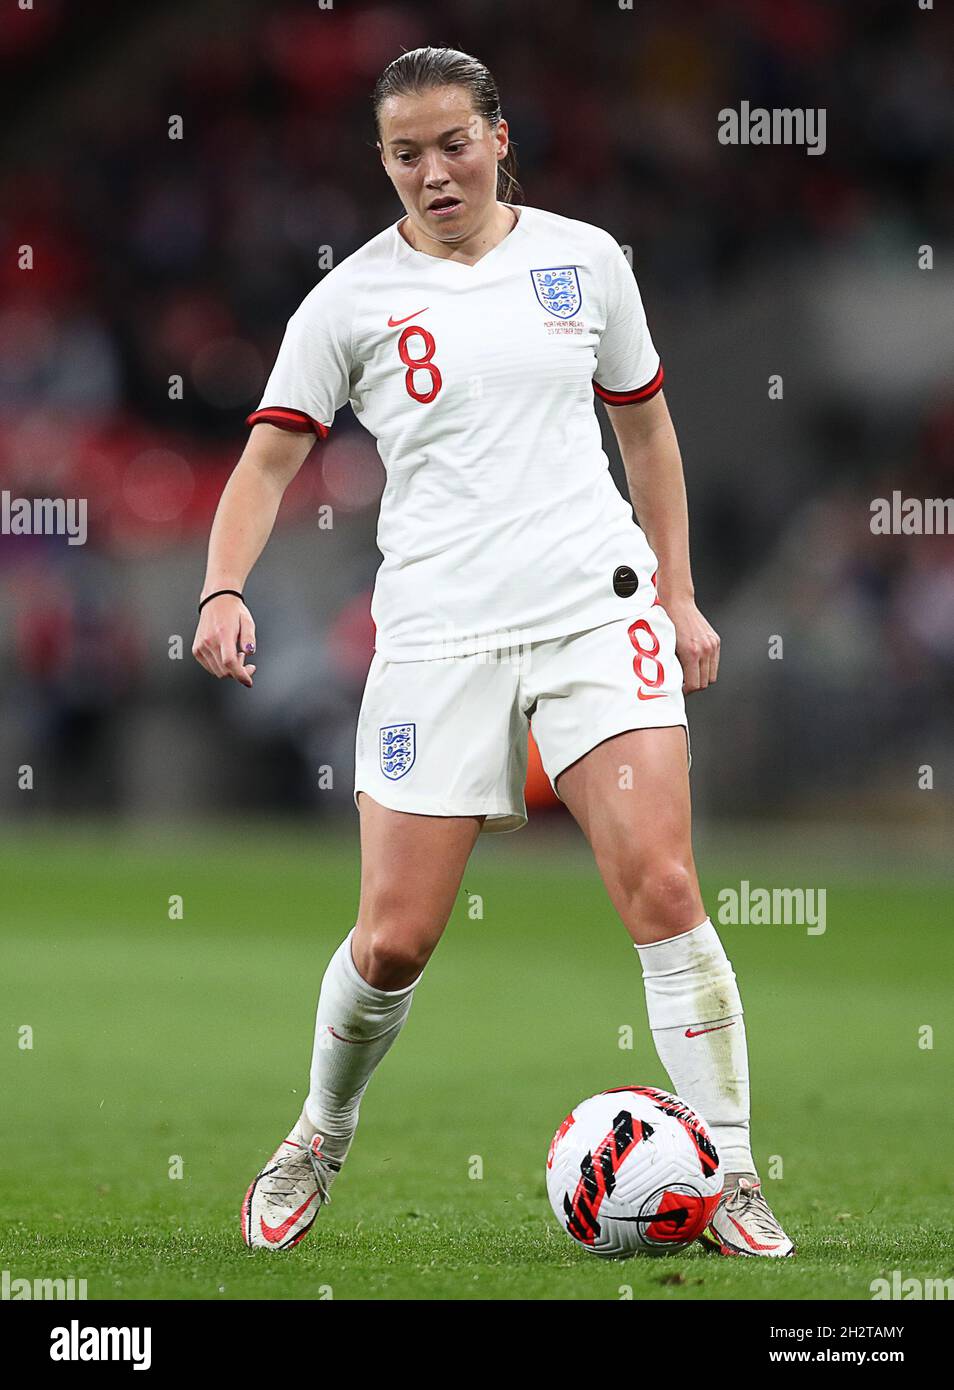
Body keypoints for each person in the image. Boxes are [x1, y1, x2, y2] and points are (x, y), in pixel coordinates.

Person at [193, 46, 793, 1258]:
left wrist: (677, 595)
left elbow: (650, 432)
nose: (434, 171)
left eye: (453, 143)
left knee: (665, 888)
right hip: (437, 633)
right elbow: (267, 461)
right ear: (383, 163)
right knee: (394, 938)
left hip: (593, 605)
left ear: (500, 137)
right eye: (406, 153)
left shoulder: (585, 260)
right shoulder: (348, 301)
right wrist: (220, 588)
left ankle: (729, 1170)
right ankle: (320, 1127)